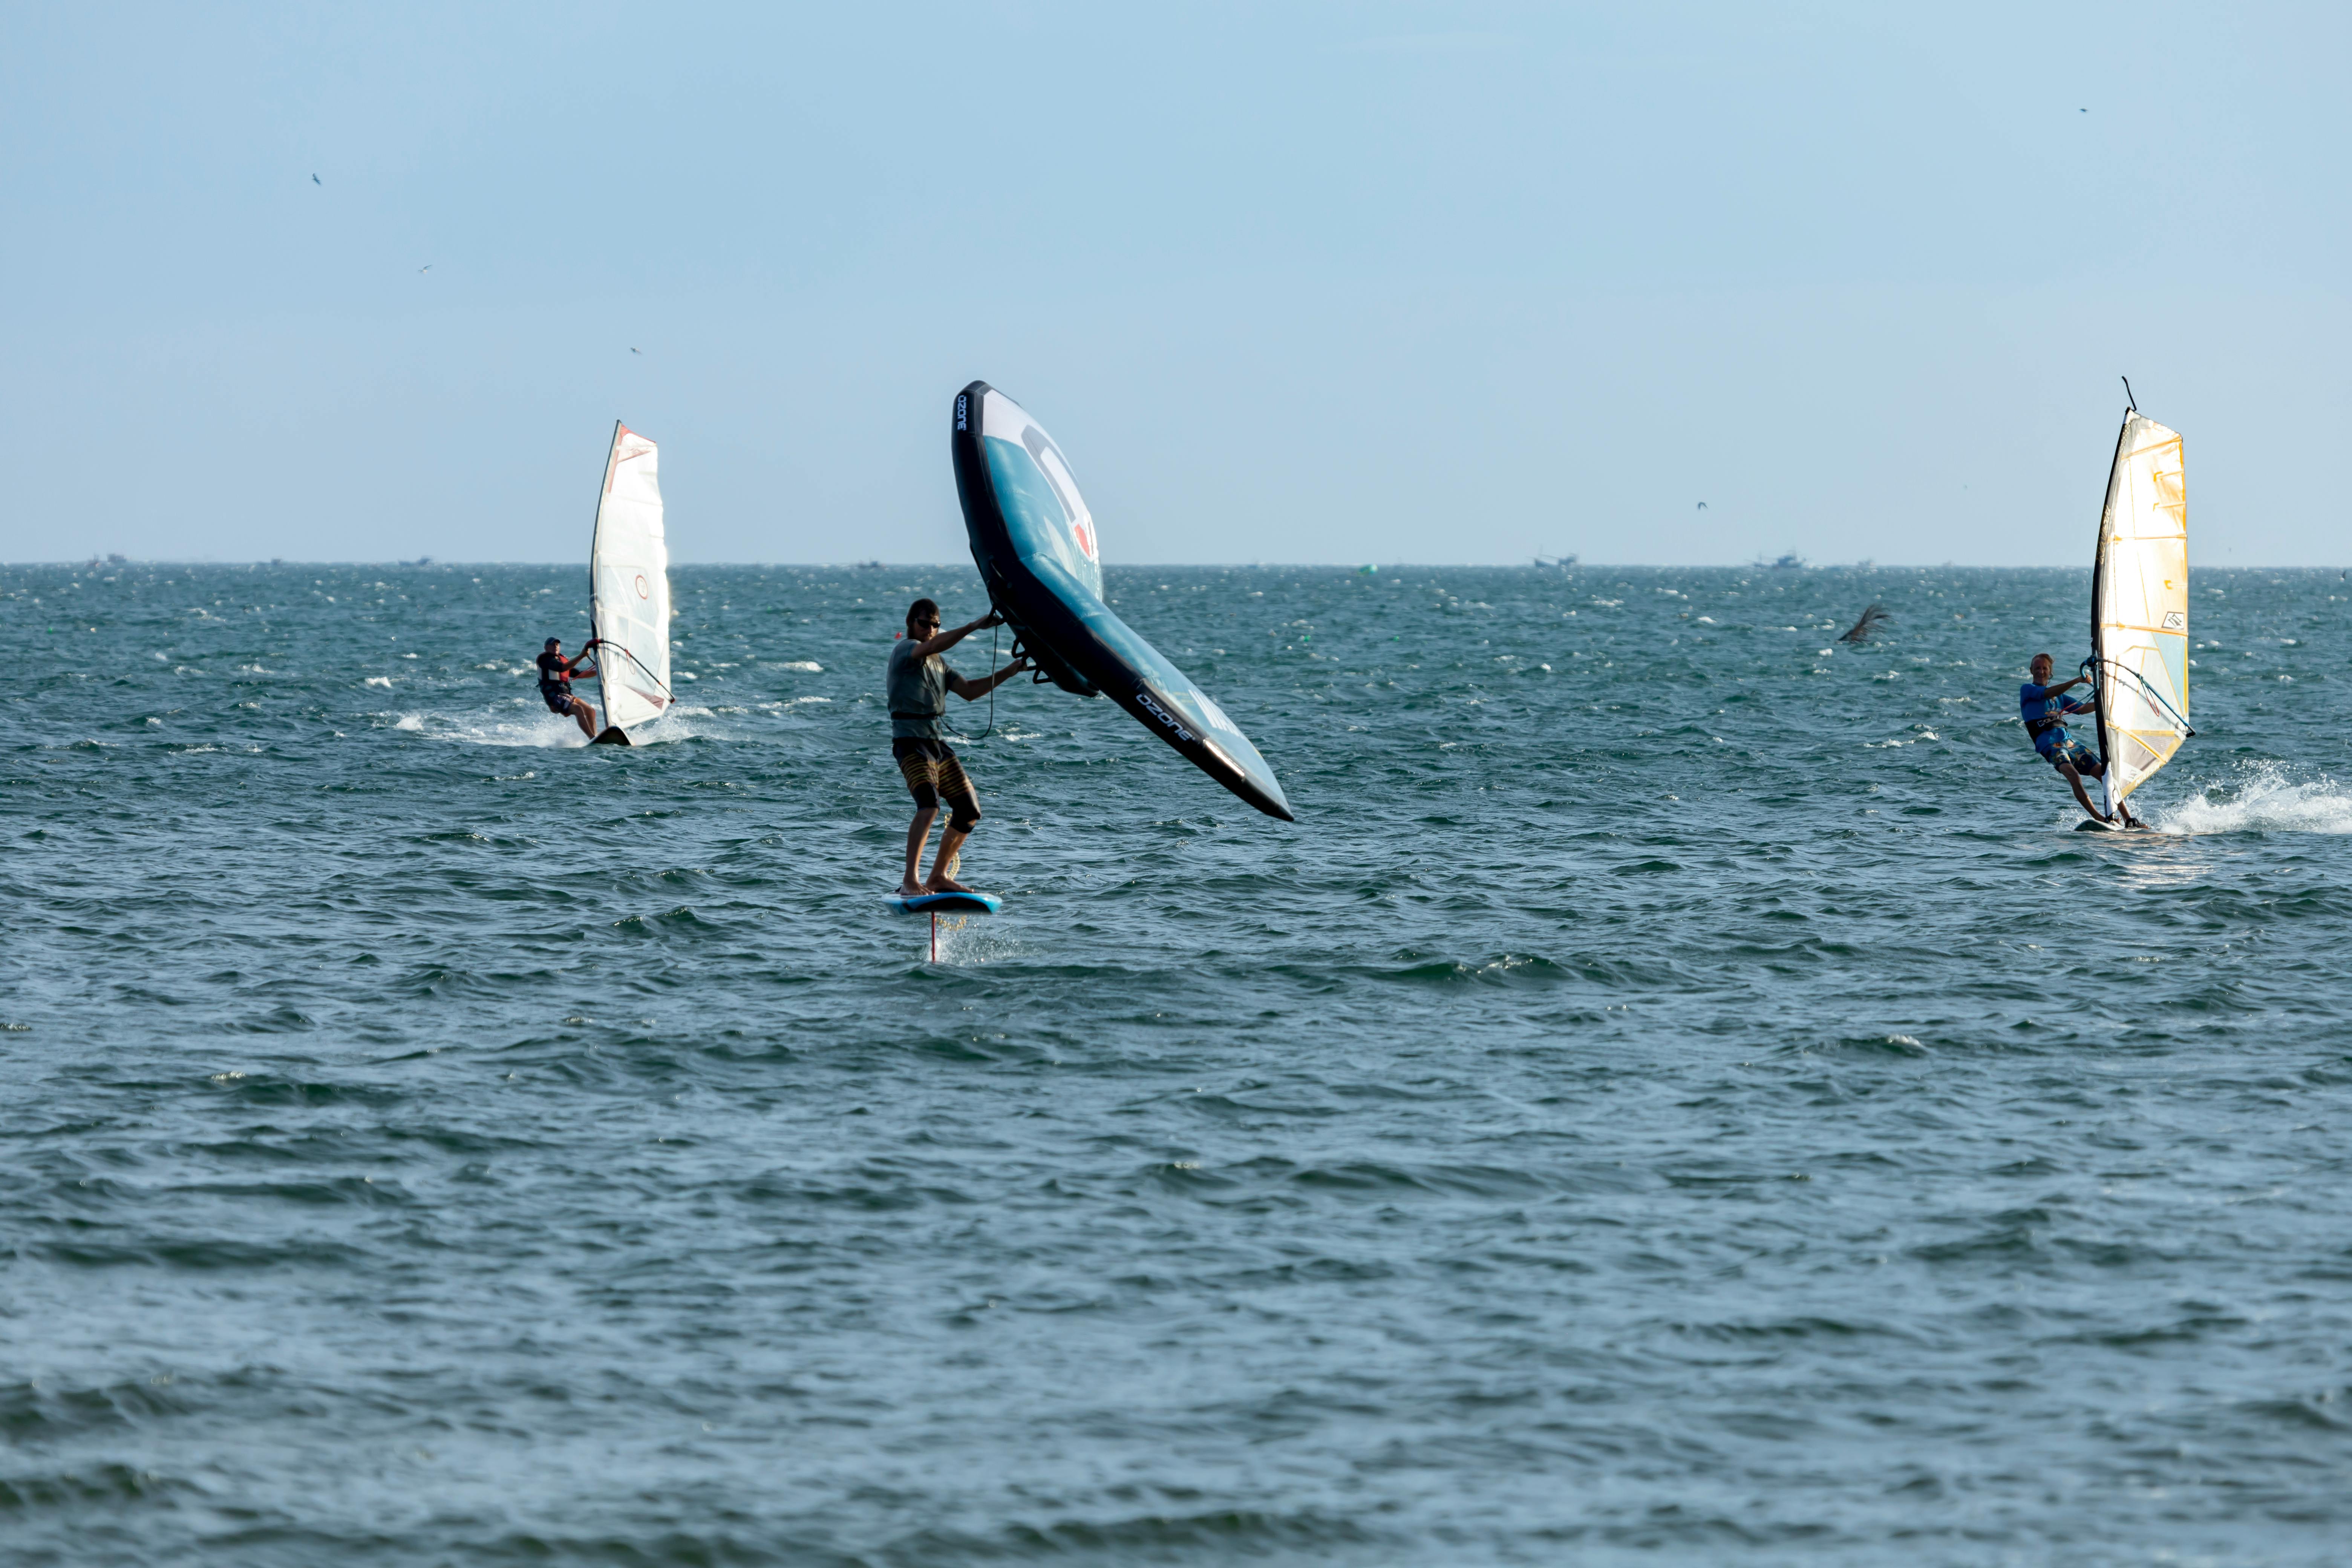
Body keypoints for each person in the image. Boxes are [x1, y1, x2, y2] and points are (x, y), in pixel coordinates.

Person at [889, 598, 1030, 896]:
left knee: (969, 810)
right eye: (924, 623)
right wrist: (974, 626)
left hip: (936, 744)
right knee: (929, 806)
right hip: (910, 742)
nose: (930, 630)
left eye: (935, 625)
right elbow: (930, 646)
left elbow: (969, 691)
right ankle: (910, 881)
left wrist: (1010, 671)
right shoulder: (906, 650)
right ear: (911, 623)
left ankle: (938, 877)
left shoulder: (939, 663)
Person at [2021, 652, 2137, 826]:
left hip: (2069, 742)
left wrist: (2106, 701)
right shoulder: (2027, 690)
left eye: (2045, 668)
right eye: (2037, 668)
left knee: (2105, 774)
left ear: (2050, 672)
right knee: (2074, 776)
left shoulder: (2060, 698)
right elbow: (2047, 693)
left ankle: (2129, 820)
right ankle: (2101, 819)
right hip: (2049, 745)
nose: (2041, 671)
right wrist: (2077, 681)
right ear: (2031, 670)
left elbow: (2082, 709)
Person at [537, 636, 602, 741]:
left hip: (566, 696)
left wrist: (600, 672)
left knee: (590, 711)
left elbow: (580, 674)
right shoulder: (545, 660)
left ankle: (595, 737)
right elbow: (562, 668)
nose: (555, 647)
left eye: (557, 645)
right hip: (555, 698)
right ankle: (592, 738)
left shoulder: (561, 660)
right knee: (578, 709)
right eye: (552, 645)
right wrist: (582, 656)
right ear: (546, 648)